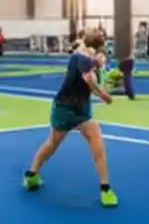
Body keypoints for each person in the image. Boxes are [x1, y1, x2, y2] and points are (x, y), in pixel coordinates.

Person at [22, 29, 118, 208]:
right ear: (97, 46)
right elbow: (88, 78)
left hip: (79, 109)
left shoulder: (89, 58)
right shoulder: (80, 58)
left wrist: (99, 68)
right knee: (53, 143)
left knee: (95, 144)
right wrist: (103, 95)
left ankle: (105, 188)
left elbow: (93, 73)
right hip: (66, 108)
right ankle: (31, 174)